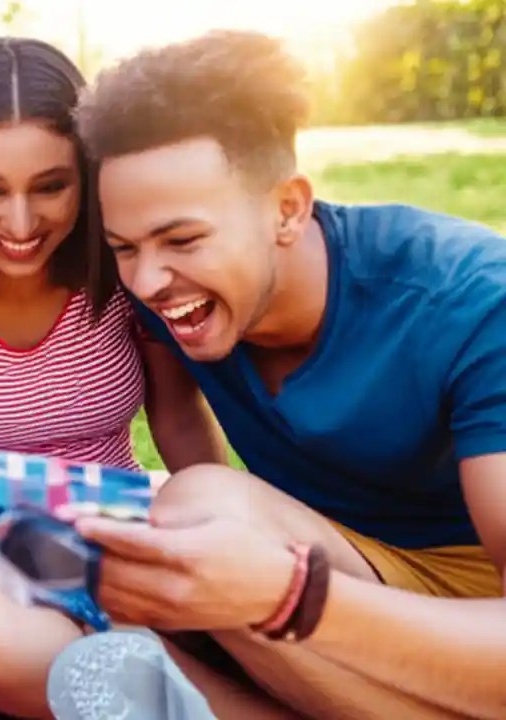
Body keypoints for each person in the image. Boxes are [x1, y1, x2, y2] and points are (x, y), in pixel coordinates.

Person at [71, 29, 506, 719]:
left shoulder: (470, 303)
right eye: (125, 247)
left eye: (182, 240)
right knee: (117, 554)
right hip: (354, 563)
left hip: (477, 599)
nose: (148, 279)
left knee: (195, 511)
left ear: (286, 209)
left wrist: (284, 595)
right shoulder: (180, 296)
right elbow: (180, 424)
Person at [0, 37, 223, 718]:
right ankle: (145, 689)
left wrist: (232, 532)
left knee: (223, 607)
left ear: (87, 175)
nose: (22, 224)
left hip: (119, 528)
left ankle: (121, 682)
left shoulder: (121, 253)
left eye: (51, 187)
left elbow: (177, 419)